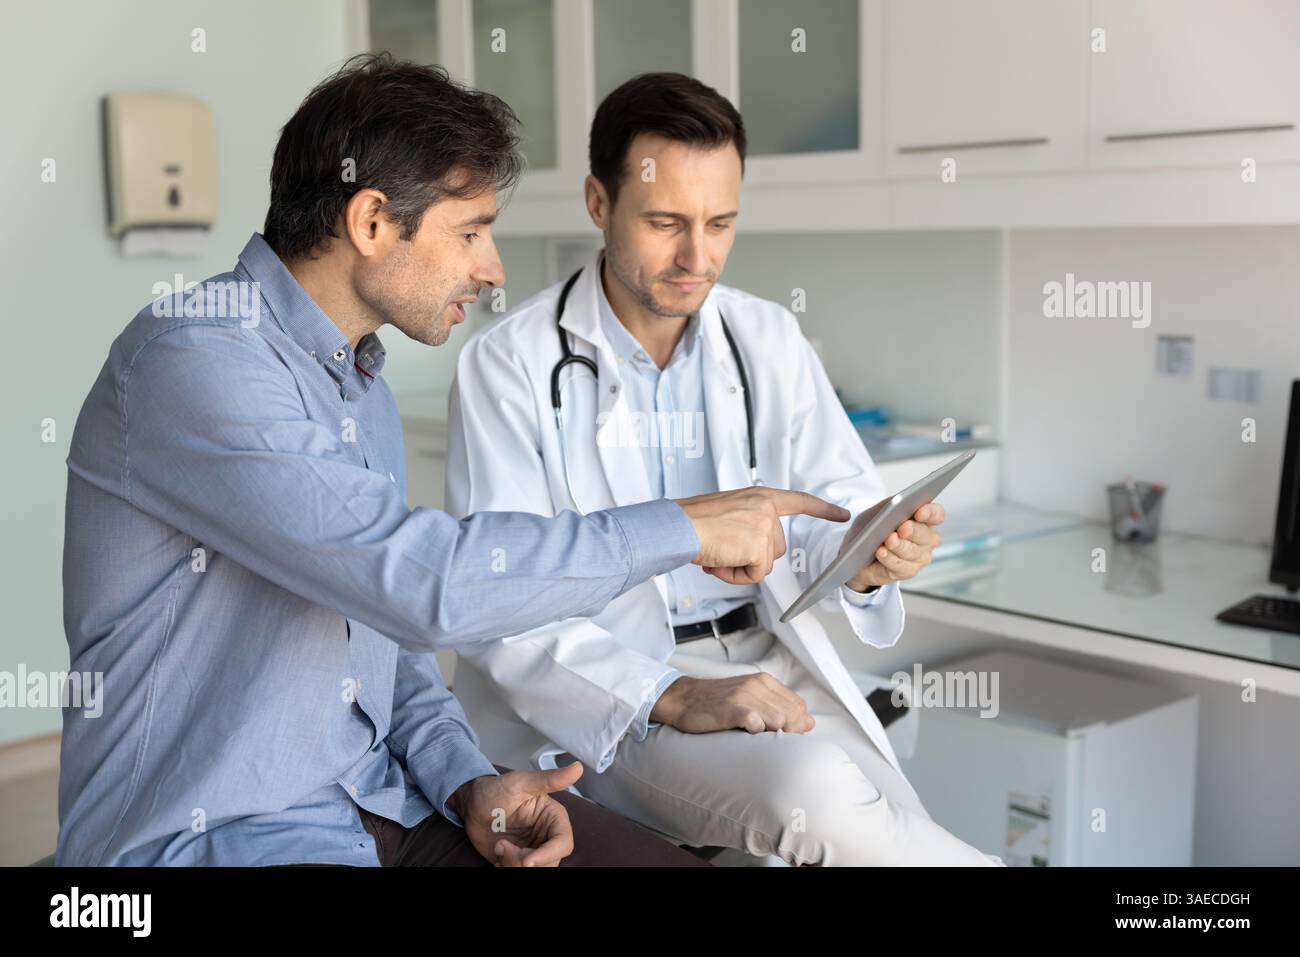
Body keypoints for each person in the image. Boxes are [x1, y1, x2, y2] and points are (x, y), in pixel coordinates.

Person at [56, 55, 846, 867]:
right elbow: (425, 582)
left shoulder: (357, 382)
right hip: (212, 839)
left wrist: (470, 783)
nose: (492, 266)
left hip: (378, 801)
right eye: (470, 232)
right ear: (371, 222)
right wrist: (684, 526)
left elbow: (390, 647)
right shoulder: (193, 361)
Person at [447, 72, 1003, 865]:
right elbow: (503, 602)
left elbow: (832, 512)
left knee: (893, 818)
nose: (696, 257)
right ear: (599, 204)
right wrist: (673, 693)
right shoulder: (510, 366)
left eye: (720, 223)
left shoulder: (768, 338)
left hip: (770, 656)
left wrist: (871, 561)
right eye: (666, 222)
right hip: (620, 689)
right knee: (812, 796)